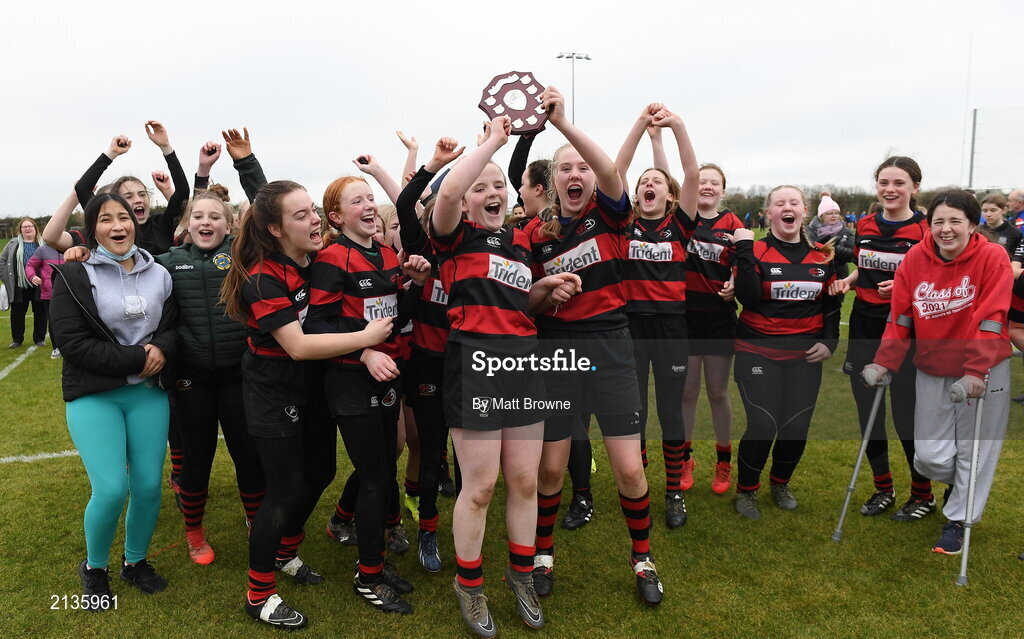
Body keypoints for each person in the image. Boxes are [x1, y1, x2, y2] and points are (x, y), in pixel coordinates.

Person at [431, 115, 581, 636]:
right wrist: (494, 141)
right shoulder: (453, 235)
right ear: (467, 198)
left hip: (524, 364)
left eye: (499, 184)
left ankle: (520, 576)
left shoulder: (519, 244)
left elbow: (525, 308)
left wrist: (548, 286)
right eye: (481, 186)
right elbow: (447, 193)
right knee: (481, 487)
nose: (492, 191)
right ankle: (469, 585)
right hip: (476, 364)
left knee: (524, 480)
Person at [220, 180, 393, 630]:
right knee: (282, 489)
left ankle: (285, 551)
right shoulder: (262, 278)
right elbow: (297, 345)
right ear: (275, 229)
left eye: (313, 210)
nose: (314, 219)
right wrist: (365, 341)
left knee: (320, 472)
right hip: (273, 388)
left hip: (314, 384)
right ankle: (259, 594)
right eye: (300, 216)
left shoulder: (316, 260)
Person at [528, 86, 664, 605]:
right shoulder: (536, 238)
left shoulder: (607, 215)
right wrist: (545, 293)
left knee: (629, 468)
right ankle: (543, 555)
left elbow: (612, 173)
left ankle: (643, 559)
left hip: (610, 347)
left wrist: (563, 125)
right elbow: (528, 309)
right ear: (552, 181)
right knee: (551, 467)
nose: (578, 174)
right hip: (557, 351)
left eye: (584, 166)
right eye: (566, 168)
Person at [307, 172, 430, 615]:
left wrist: (414, 283)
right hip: (352, 379)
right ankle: (369, 574)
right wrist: (363, 352)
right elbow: (315, 324)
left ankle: (373, 563)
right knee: (376, 477)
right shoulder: (331, 257)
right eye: (356, 200)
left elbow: (393, 319)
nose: (368, 205)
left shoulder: (384, 254)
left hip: (388, 375)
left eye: (370, 197)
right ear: (337, 216)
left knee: (382, 473)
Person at [863, 189, 1011, 555]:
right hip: (931, 367)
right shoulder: (915, 257)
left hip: (984, 368)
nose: (946, 230)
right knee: (929, 457)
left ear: (973, 225)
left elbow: (991, 318)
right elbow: (900, 316)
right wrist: (885, 360)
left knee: (974, 452)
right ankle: (962, 487)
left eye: (955, 221)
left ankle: (959, 522)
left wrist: (976, 369)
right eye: (939, 222)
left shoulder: (993, 256)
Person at [50, 192, 178, 610]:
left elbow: (175, 327)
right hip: (95, 396)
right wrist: (142, 357)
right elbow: (71, 344)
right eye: (106, 220)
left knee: (146, 487)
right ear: (92, 229)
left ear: (135, 223)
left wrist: (164, 348)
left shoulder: (159, 272)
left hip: (147, 395)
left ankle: (135, 562)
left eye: (124, 217)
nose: (118, 226)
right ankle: (95, 567)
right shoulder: (72, 273)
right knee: (109, 489)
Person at [154, 191, 265, 566]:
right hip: (190, 379)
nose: (206, 223)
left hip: (238, 375)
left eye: (215, 216)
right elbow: (119, 263)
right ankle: (194, 532)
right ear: (186, 223)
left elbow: (267, 207)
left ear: (230, 224)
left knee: (247, 454)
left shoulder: (244, 254)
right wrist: (80, 253)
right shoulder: (166, 263)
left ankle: (255, 520)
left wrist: (245, 164)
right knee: (196, 459)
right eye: (198, 216)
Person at [832, 157, 936, 521]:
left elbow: (938, 282)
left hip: (907, 331)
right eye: (884, 182)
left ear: (915, 187)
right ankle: (883, 487)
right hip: (864, 326)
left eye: (899, 182)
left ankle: (922, 494)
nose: (890, 189)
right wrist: (851, 279)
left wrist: (908, 289)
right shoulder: (865, 223)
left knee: (906, 414)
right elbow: (867, 265)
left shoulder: (926, 228)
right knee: (869, 412)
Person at [730, 185, 841, 520]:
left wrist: (830, 341)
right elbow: (747, 299)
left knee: (795, 427)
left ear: (805, 211)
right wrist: (745, 252)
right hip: (757, 352)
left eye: (794, 203)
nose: (787, 208)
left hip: (804, 357)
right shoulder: (756, 251)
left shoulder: (824, 255)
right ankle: (747, 490)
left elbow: (832, 305)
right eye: (780, 203)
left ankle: (780, 483)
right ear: (769, 212)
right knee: (763, 424)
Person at [614, 103, 699, 528]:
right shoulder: (624, 225)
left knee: (669, 410)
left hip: (670, 329)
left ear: (669, 195)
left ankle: (674, 491)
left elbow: (692, 174)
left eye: (657, 182)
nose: (649, 184)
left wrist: (675, 128)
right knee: (636, 412)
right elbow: (617, 170)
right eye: (643, 181)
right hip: (629, 328)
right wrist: (643, 132)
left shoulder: (679, 225)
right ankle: (639, 483)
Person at [682, 164, 745, 494]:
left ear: (723, 189)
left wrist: (736, 280)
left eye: (713, 182)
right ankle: (684, 458)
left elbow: (744, 260)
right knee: (687, 392)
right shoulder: (682, 216)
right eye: (701, 181)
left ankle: (724, 461)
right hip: (686, 318)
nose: (706, 186)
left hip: (719, 319)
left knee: (718, 393)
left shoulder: (733, 224)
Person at [73, 122, 191, 255]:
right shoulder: (113, 229)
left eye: (142, 194)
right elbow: (82, 188)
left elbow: (182, 191)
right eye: (128, 197)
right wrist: (111, 153)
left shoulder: (161, 224)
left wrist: (165, 147)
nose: (138, 200)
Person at [0, 218, 46, 348]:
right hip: (19, 285)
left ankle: (39, 339)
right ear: (20, 229)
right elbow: (2, 260)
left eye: (30, 226)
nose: (27, 229)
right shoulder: (12, 243)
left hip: (39, 284)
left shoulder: (43, 243)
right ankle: (17, 340)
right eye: (24, 227)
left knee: (40, 312)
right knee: (17, 313)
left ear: (35, 228)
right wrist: (5, 277)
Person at [807, 191, 855, 278]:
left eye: (836, 213)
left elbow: (852, 255)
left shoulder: (845, 231)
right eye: (829, 213)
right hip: (815, 272)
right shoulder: (811, 229)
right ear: (821, 215)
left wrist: (832, 248)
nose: (834, 216)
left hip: (839, 274)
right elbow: (807, 250)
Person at [979, 193, 1022, 264]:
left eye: (993, 210)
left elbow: (1017, 259)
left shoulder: (1015, 233)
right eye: (985, 211)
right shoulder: (977, 232)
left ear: (1004, 210)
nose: (988, 214)